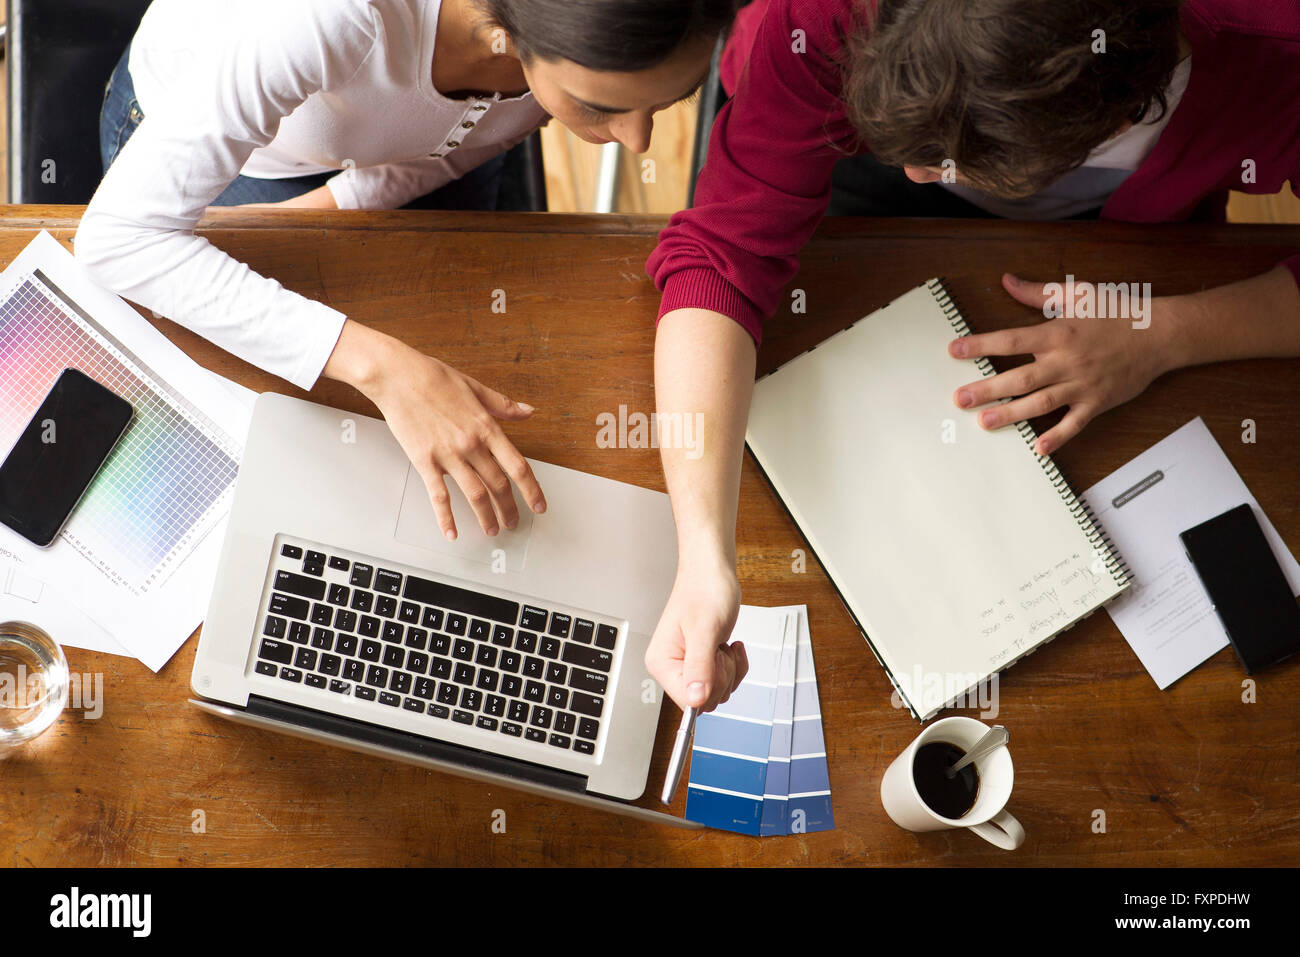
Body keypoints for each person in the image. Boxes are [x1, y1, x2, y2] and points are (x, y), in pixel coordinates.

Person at [644, 0, 1300, 713]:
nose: (917, 174)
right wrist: (704, 554)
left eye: (941, 163)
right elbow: (721, 255)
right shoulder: (828, 16)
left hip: (1130, 236)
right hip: (845, 152)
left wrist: (1161, 333)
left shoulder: (1276, 50)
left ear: (1116, 121)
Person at [78, 0, 735, 543]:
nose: (639, 141)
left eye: (671, 100)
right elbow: (117, 239)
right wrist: (382, 366)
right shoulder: (336, 16)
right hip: (235, 153)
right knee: (284, 475)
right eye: (599, 108)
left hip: (384, 148)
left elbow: (463, 144)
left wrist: (345, 203)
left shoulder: (559, 46)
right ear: (508, 31)